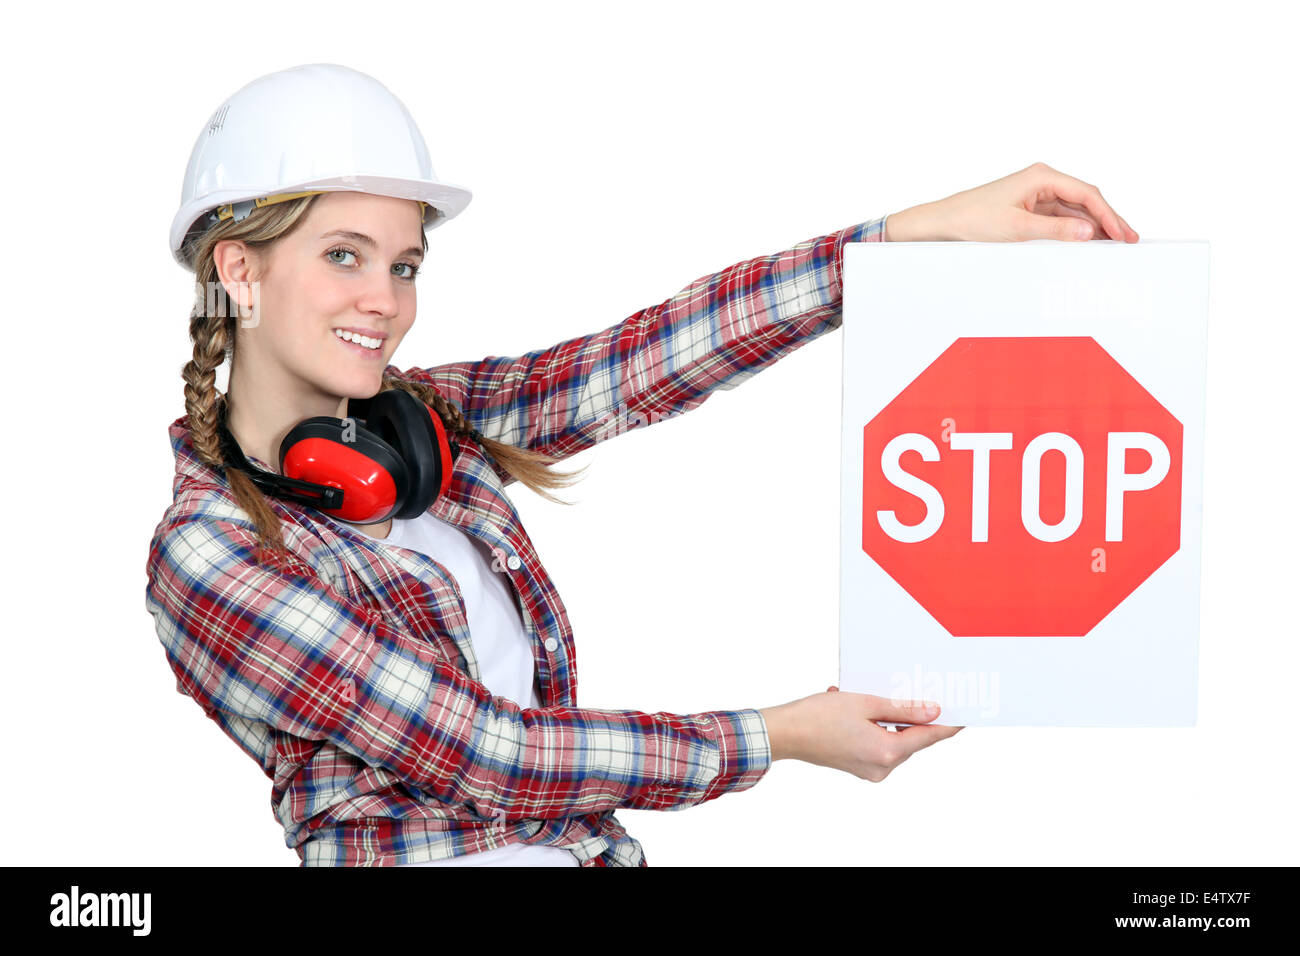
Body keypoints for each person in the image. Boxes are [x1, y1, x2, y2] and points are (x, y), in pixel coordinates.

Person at [144, 63, 1139, 868]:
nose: (387, 300)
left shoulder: (421, 421)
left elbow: (644, 359)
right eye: (345, 255)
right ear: (239, 270)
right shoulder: (209, 555)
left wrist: (906, 237)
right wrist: (778, 734)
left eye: (404, 264)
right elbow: (493, 755)